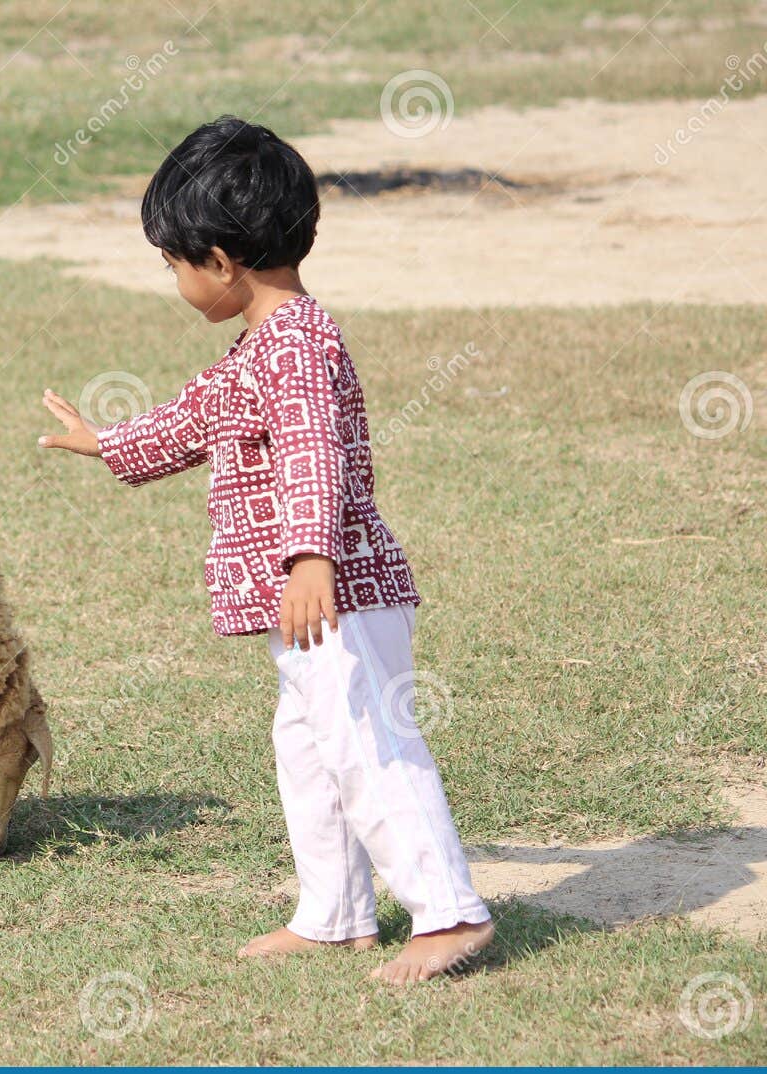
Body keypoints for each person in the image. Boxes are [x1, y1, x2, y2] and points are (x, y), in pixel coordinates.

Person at [38, 116, 493, 984]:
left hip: (335, 592)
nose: (171, 279)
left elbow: (316, 451)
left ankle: (449, 911)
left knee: (369, 744)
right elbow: (191, 419)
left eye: (171, 262)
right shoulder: (258, 348)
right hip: (310, 599)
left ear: (219, 259)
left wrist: (310, 558)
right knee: (312, 751)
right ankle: (334, 913)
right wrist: (107, 442)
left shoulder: (299, 349)